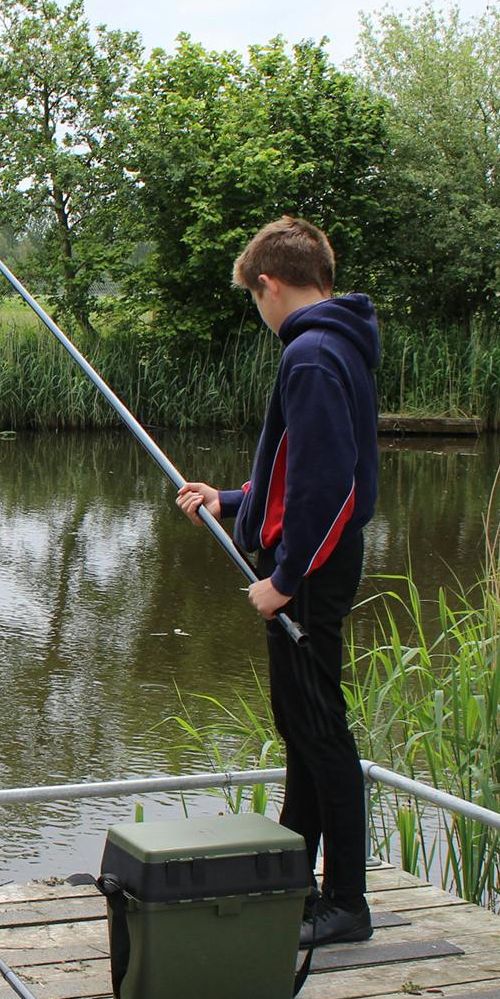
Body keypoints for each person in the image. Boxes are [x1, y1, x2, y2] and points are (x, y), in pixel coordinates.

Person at [175, 217, 380, 948]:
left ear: (268, 283)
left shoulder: (313, 356)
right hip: (310, 564)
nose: (258, 312)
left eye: (253, 297)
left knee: (322, 733)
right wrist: (230, 502)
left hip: (310, 574)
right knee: (301, 729)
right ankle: (296, 885)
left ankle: (346, 903)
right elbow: (297, 471)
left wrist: (286, 580)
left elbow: (333, 489)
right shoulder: (329, 347)